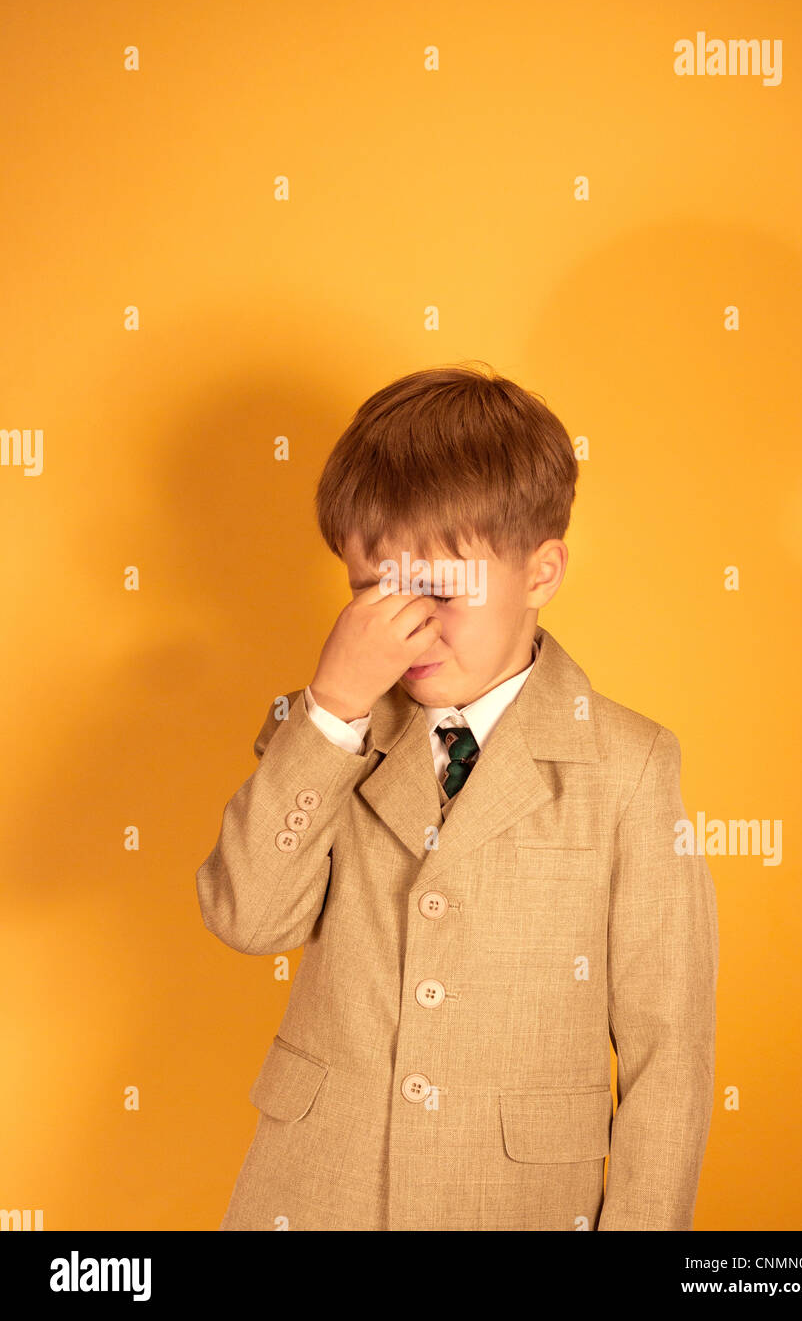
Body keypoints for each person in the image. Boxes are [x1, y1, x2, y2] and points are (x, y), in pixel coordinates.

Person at [195, 363, 719, 1231]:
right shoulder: (320, 730)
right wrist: (330, 711)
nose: (407, 626)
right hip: (317, 1193)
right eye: (372, 591)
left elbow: (672, 1058)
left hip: (521, 1205)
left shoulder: (630, 765)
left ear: (541, 571)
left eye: (439, 589)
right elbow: (248, 917)